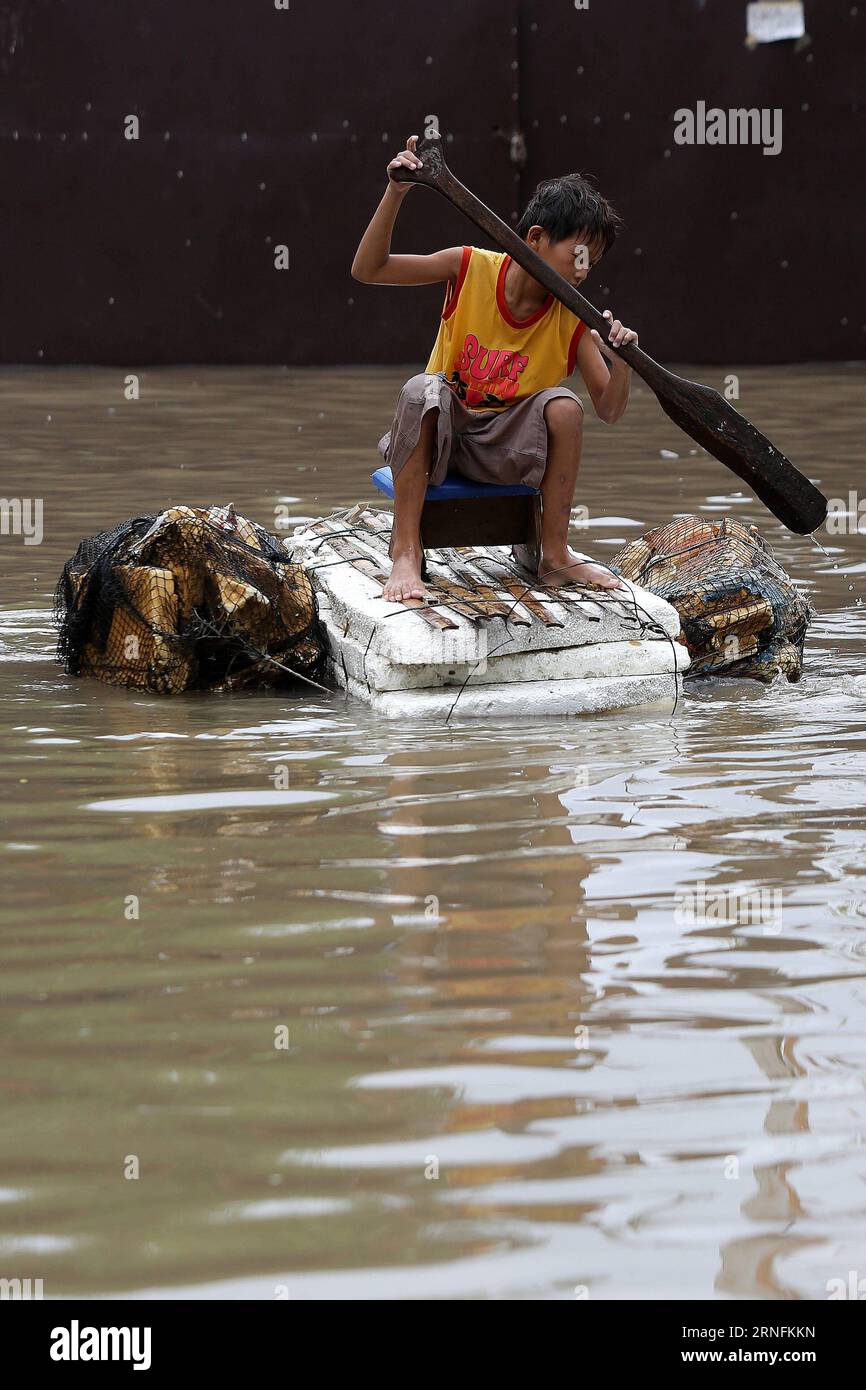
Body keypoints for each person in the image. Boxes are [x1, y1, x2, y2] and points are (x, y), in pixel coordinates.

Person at [351, 135, 638, 602]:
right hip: (442, 439)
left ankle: (555, 554)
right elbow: (369, 269)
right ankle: (406, 553)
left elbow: (608, 409)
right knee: (420, 389)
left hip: (504, 452)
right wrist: (396, 192)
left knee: (565, 406)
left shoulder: (572, 317)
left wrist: (622, 366)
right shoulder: (468, 267)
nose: (584, 272)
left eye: (593, 262)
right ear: (536, 239)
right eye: (577, 255)